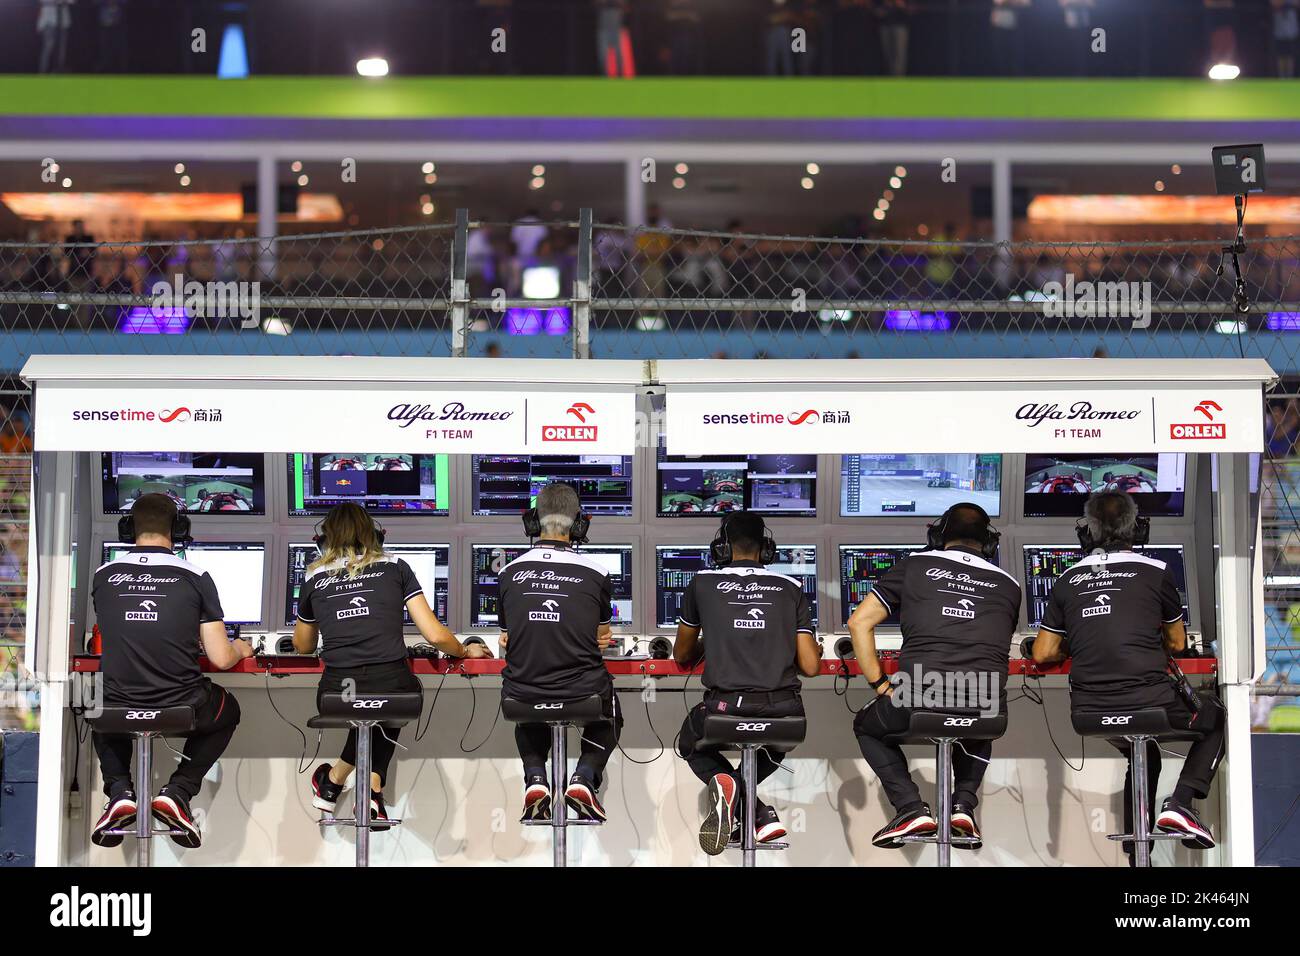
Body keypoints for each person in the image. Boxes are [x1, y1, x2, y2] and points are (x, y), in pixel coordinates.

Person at [1033, 491, 1225, 857]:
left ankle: (1138, 856)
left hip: (1090, 712)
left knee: (1142, 750)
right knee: (1215, 717)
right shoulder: (1157, 571)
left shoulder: (1067, 579)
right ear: (1138, 528)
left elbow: (1042, 653)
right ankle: (1181, 804)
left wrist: (1083, 640)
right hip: (1150, 702)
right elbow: (1176, 641)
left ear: (1085, 532)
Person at [293, 503, 490, 826]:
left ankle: (335, 781)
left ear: (325, 540)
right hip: (393, 688)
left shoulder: (314, 576)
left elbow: (303, 646)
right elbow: (435, 635)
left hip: (336, 692)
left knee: (371, 705)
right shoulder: (395, 566)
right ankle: (368, 786)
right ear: (376, 536)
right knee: (388, 698)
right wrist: (464, 651)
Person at [849, 503, 1021, 849]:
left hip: (921, 697)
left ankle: (911, 809)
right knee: (979, 711)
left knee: (867, 726)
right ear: (989, 542)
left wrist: (880, 684)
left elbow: (859, 622)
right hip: (985, 703)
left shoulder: (913, 565)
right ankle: (962, 807)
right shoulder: (1010, 584)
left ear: (939, 535)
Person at [90, 493, 254, 850]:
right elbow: (222, 657)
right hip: (181, 705)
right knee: (229, 710)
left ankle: (119, 791)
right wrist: (242, 647)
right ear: (179, 529)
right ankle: (178, 793)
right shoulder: (195, 576)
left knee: (103, 702)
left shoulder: (103, 576)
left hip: (118, 705)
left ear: (128, 529)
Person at [674, 512, 820, 854]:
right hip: (786, 712)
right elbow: (811, 667)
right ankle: (757, 812)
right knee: (775, 742)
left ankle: (734, 791)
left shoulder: (702, 584)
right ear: (766, 549)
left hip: (726, 707)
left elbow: (682, 654)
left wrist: (713, 640)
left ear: (721, 548)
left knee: (690, 743)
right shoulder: (792, 587)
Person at [498, 482, 622, 822]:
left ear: (532, 522)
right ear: (580, 523)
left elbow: (507, 638)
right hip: (583, 692)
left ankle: (536, 778)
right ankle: (584, 777)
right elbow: (602, 635)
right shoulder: (597, 572)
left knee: (530, 701)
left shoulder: (508, 572)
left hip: (522, 693)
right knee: (611, 713)